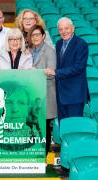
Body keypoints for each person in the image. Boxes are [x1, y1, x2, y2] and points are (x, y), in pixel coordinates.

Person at [45, 17, 89, 176]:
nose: (63, 31)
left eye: (66, 28)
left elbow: (78, 68)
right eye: (61, 29)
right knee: (64, 131)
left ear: (73, 28)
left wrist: (56, 73)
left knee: (74, 132)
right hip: (61, 94)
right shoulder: (58, 44)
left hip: (75, 95)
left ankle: (75, 165)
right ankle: (65, 164)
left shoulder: (81, 44)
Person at [27, 25, 57, 155]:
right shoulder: (29, 51)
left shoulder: (50, 51)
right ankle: (32, 152)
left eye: (37, 34)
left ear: (44, 36)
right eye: (32, 35)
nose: (35, 37)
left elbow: (51, 72)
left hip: (46, 94)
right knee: (32, 125)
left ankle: (43, 156)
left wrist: (35, 72)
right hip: (32, 95)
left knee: (43, 126)